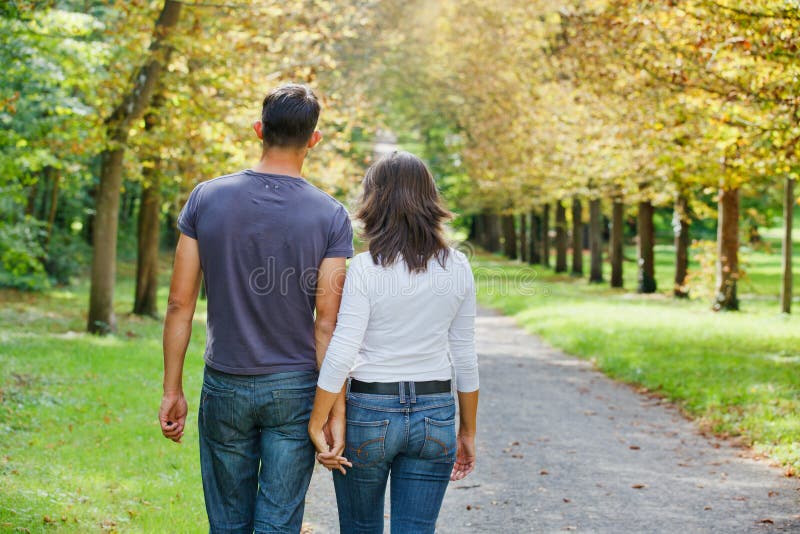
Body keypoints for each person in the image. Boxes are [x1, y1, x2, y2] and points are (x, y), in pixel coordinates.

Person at [158, 84, 354, 533]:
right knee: (278, 523)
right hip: (294, 388)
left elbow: (179, 304)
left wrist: (172, 389)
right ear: (314, 140)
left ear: (258, 130)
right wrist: (333, 409)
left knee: (228, 524)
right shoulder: (331, 215)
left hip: (225, 383)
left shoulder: (205, 198)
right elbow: (327, 324)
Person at [308, 151, 480, 534]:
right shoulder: (458, 267)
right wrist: (467, 432)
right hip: (435, 412)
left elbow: (342, 350)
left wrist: (317, 422)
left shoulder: (365, 268)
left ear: (374, 201)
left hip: (370, 410)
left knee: (360, 527)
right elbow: (465, 357)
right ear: (430, 199)